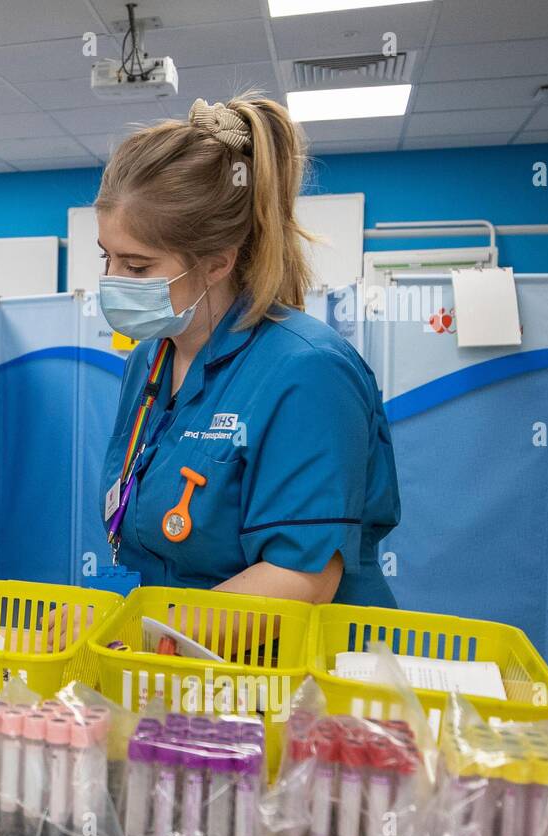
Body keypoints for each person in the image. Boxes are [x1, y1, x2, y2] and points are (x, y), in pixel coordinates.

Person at [96, 96, 400, 610]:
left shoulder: (308, 371)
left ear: (216, 263)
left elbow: (297, 583)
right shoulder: (148, 363)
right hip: (183, 667)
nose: (110, 281)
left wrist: (129, 629)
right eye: (106, 258)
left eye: (137, 266)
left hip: (296, 675)